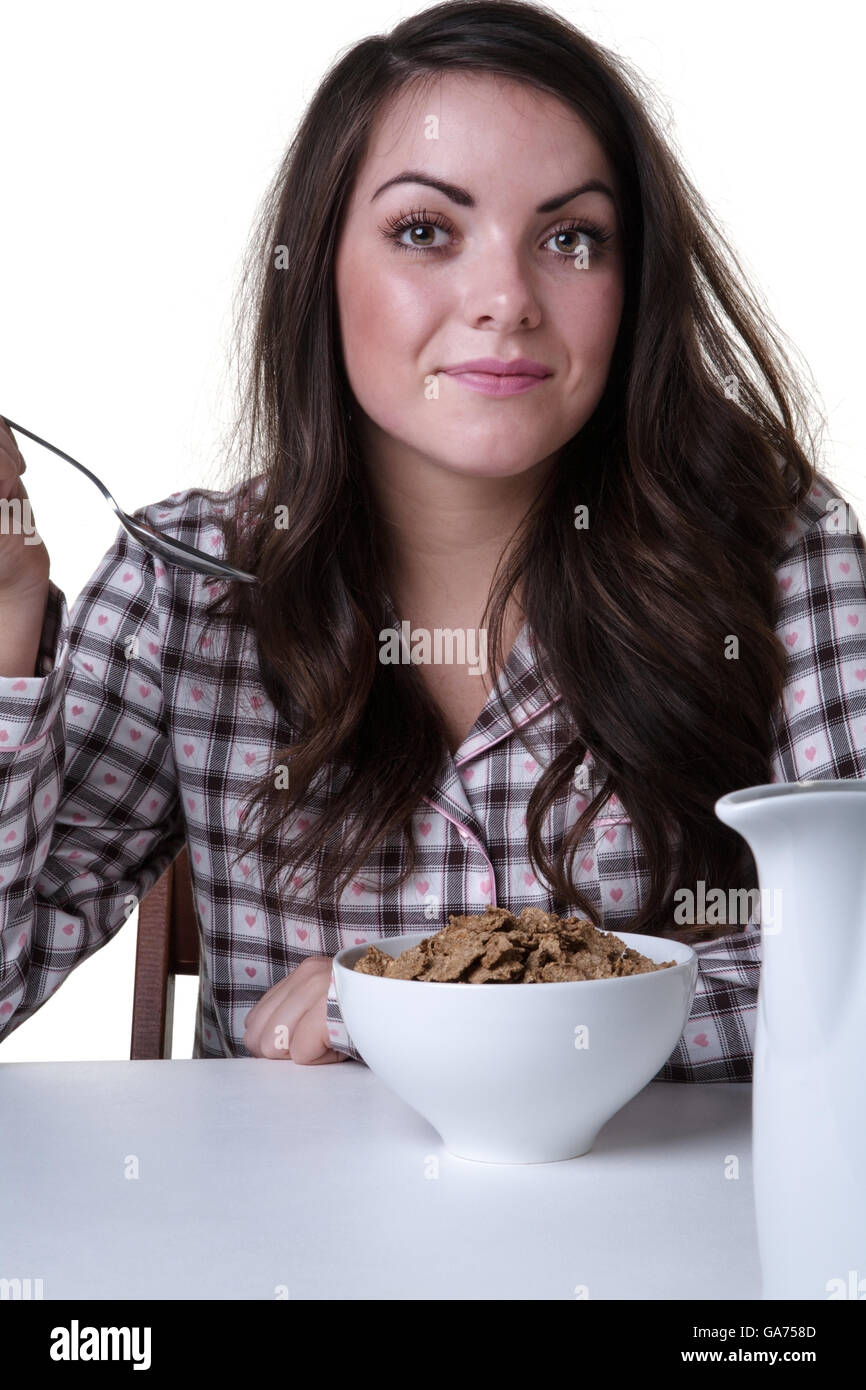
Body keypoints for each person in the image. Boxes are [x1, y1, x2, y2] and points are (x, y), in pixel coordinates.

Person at [1, 0, 864, 1078]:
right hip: (286, 1245)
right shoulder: (184, 592)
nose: (505, 300)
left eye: (569, 238)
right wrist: (4, 618)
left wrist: (417, 1006)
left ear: (629, 285)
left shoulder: (779, 554)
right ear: (318, 267)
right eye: (425, 231)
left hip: (687, 1243)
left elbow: (853, 972)